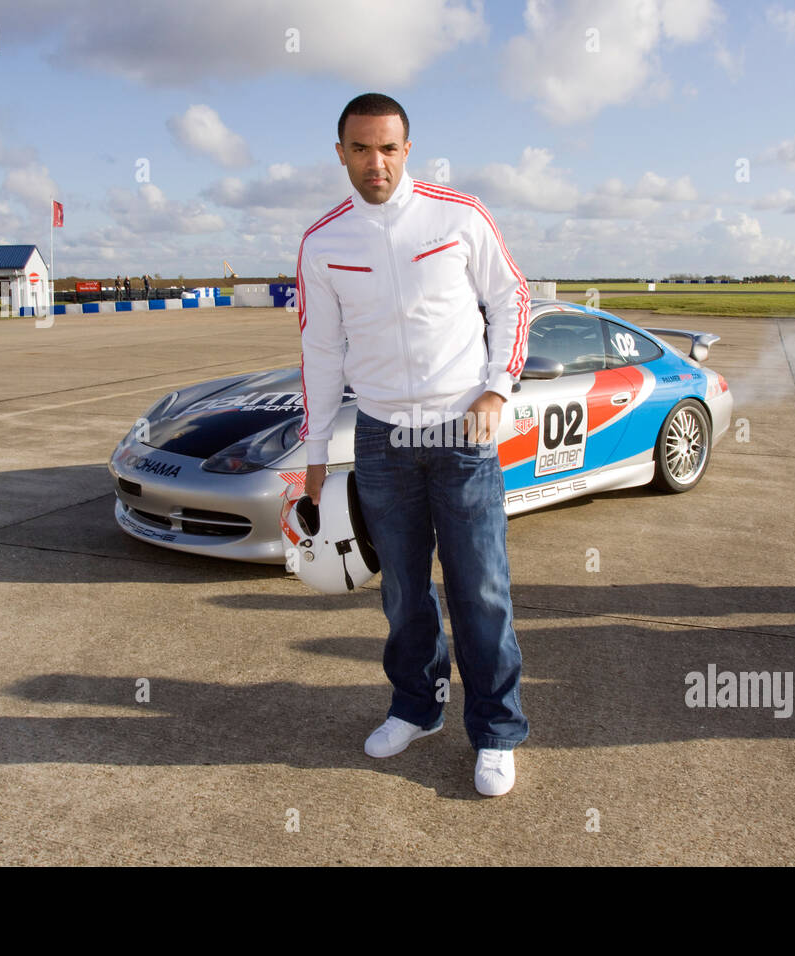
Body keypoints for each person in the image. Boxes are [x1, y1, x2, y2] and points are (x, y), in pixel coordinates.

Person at [297, 93, 531, 797]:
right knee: (402, 591)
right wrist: (313, 457)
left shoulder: (458, 215)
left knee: (481, 589)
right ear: (339, 152)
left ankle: (495, 731)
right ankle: (415, 706)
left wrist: (498, 388)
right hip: (380, 439)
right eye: (361, 149)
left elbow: (511, 298)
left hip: (462, 431)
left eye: (389, 148)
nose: (376, 163)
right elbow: (319, 350)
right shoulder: (323, 242)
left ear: (408, 150)